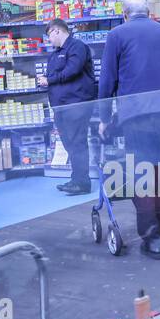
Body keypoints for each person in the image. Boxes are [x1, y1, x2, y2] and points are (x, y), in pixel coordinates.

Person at [97, 0, 160, 259]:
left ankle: (152, 235)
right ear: (148, 11)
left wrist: (104, 118)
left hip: (138, 117)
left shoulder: (117, 35)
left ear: (125, 14)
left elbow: (107, 81)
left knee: (143, 172)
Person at [43, 17, 97, 196]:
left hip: (76, 104)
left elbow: (72, 70)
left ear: (57, 31)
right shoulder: (55, 53)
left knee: (77, 142)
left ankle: (82, 182)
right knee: (69, 142)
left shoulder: (77, 47)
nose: (49, 40)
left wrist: (49, 80)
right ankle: (77, 180)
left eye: (49, 35)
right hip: (61, 107)